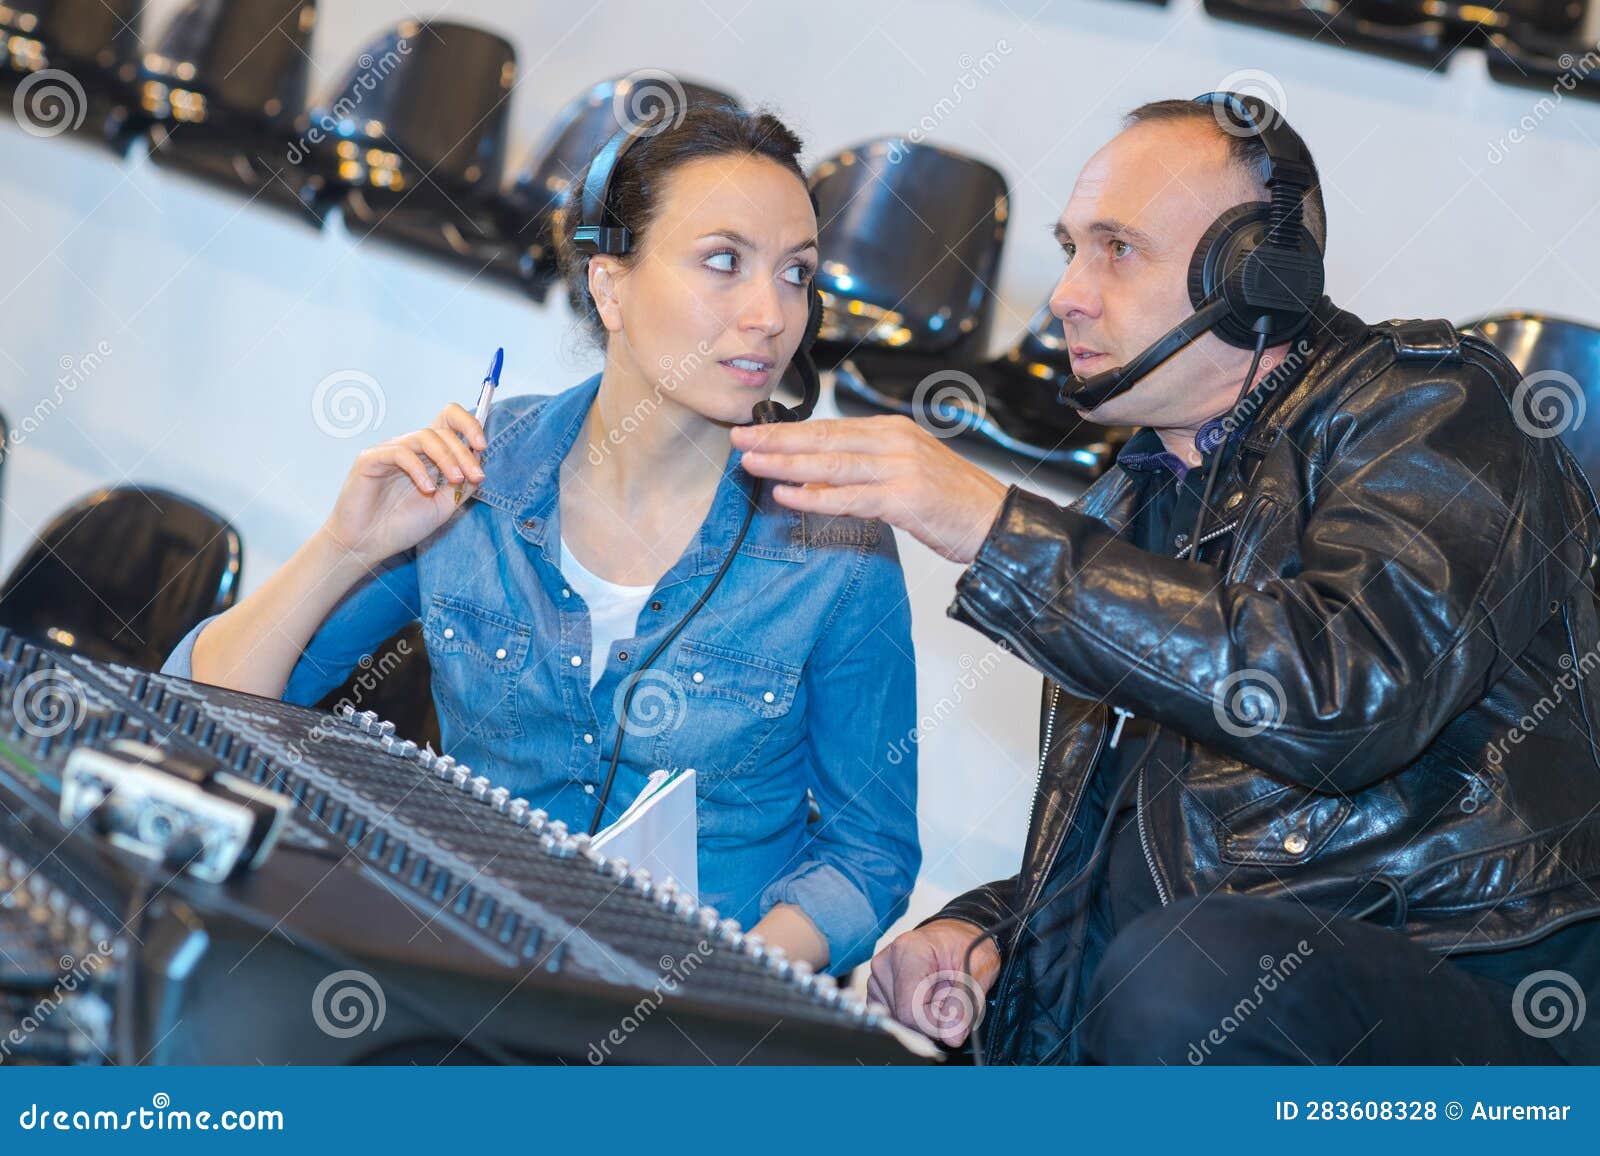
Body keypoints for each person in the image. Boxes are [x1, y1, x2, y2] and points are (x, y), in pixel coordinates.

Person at [732, 92, 1600, 1061]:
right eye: (1070, 249)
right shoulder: (1137, 499)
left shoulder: (1438, 407)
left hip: (1484, 1005)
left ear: (1256, 277)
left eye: (1117, 249)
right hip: (1214, 983)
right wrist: (984, 934)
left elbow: (1341, 699)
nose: (1066, 294)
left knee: (1184, 973)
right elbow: (1162, 859)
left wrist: (993, 527)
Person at [163, 103, 920, 976]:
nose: (771, 314)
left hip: (688, 1015)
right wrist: (344, 546)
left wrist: (705, 988)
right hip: (465, 976)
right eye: (725, 261)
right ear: (610, 286)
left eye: (796, 274)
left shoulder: (836, 540)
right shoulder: (481, 473)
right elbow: (207, 709)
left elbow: (869, 855)